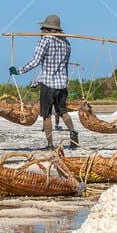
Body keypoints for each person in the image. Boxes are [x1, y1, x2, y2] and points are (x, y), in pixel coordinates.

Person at [10, 13, 79, 149]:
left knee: (46, 115)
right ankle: (73, 133)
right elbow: (64, 64)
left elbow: (35, 61)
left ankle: (49, 144)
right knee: (63, 112)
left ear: (47, 29)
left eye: (42, 29)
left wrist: (18, 71)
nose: (40, 31)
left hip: (48, 84)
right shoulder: (66, 43)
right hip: (62, 84)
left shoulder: (45, 41)